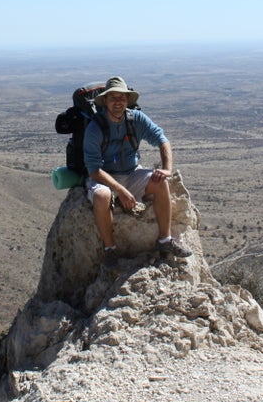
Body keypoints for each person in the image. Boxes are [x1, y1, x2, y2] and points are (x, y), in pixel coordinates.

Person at [83, 76, 193, 266]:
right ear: (106, 101)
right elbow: (94, 170)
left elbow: (162, 139)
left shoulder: (136, 120)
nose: (118, 102)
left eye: (122, 98)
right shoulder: (96, 127)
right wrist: (120, 190)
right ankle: (110, 250)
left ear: (127, 100)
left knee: (161, 183)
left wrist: (167, 169)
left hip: (132, 172)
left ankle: (165, 240)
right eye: (113, 98)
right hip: (105, 177)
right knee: (101, 197)